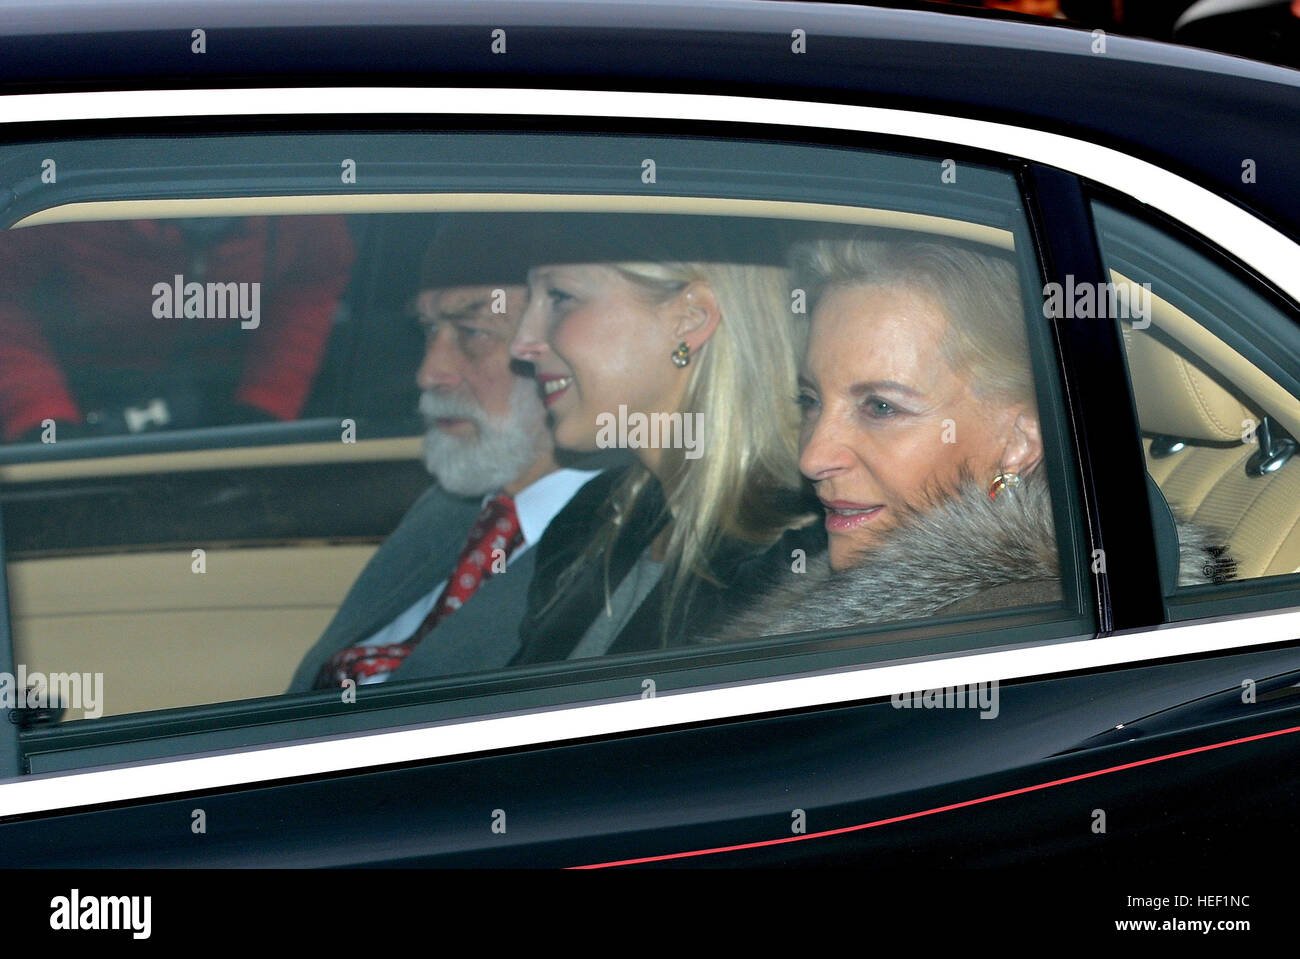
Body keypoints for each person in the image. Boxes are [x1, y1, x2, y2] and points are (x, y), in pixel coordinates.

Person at [712, 233, 1233, 641]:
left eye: (881, 407)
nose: (813, 456)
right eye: (810, 401)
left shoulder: (1015, 630)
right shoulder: (859, 583)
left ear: (1021, 440)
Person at [287, 215, 602, 692]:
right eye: (428, 330)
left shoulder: (625, 545)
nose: (429, 373)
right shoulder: (453, 507)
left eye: (473, 332)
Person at [506, 213, 814, 664]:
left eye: (559, 297)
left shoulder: (799, 551)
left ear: (691, 318)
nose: (522, 342)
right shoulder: (592, 519)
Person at [0, 216, 355, 441]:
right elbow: (6, 295)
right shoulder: (69, 201)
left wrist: (266, 406)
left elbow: (311, 281)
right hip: (81, 391)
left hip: (225, 395)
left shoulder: (295, 205)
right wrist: (42, 417)